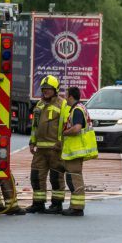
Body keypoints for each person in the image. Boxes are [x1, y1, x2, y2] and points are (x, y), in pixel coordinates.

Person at [27, 75, 68, 213]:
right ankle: (38, 204)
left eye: (49, 89)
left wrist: (61, 143)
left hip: (55, 148)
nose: (45, 91)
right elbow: (35, 126)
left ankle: (57, 204)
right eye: (44, 88)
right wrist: (32, 142)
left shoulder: (62, 104)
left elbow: (65, 126)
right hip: (40, 149)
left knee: (56, 177)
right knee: (36, 175)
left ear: (55, 90)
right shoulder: (39, 104)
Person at [55, 86, 98, 216]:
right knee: (73, 178)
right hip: (76, 150)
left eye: (66, 95)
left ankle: (77, 208)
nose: (64, 98)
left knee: (74, 179)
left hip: (76, 150)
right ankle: (75, 207)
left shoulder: (77, 110)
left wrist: (64, 133)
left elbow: (77, 128)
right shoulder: (80, 108)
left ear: (71, 96)